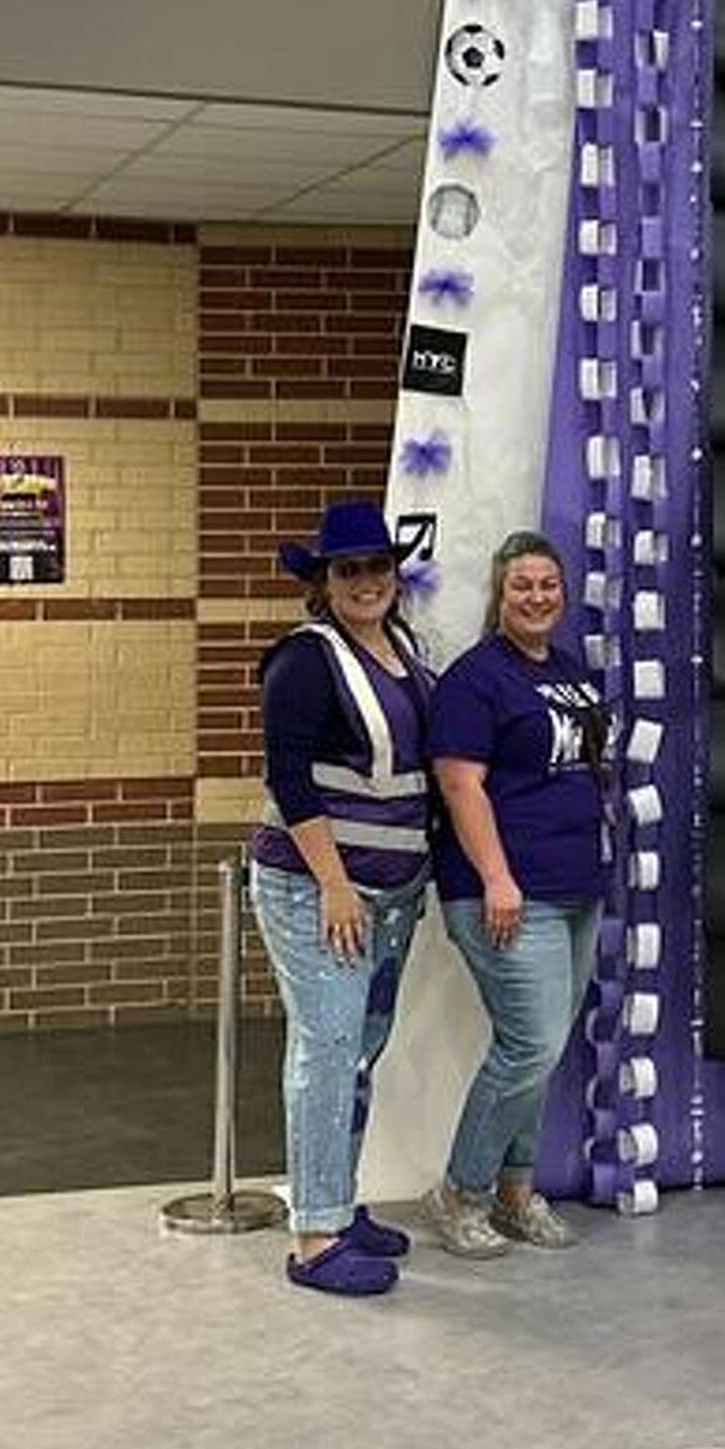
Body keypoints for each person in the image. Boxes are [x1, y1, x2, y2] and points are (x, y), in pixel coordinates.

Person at [250, 497, 435, 1298]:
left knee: (357, 1052)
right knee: (324, 1053)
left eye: (378, 566)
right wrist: (331, 882)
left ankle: (339, 1198)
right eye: (349, 568)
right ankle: (314, 1236)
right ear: (323, 582)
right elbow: (288, 777)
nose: (366, 580)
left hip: (392, 894)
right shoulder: (303, 659)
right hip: (319, 889)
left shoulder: (404, 647)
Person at [425, 530, 608, 1256]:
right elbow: (460, 783)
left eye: (548, 584)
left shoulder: (570, 670)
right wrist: (499, 876)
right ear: (500, 595)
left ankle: (515, 1192)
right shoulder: (475, 678)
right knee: (529, 1044)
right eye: (522, 584)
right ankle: (459, 1191)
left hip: (575, 887)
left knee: (545, 1047)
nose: (537, 596)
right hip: (504, 891)